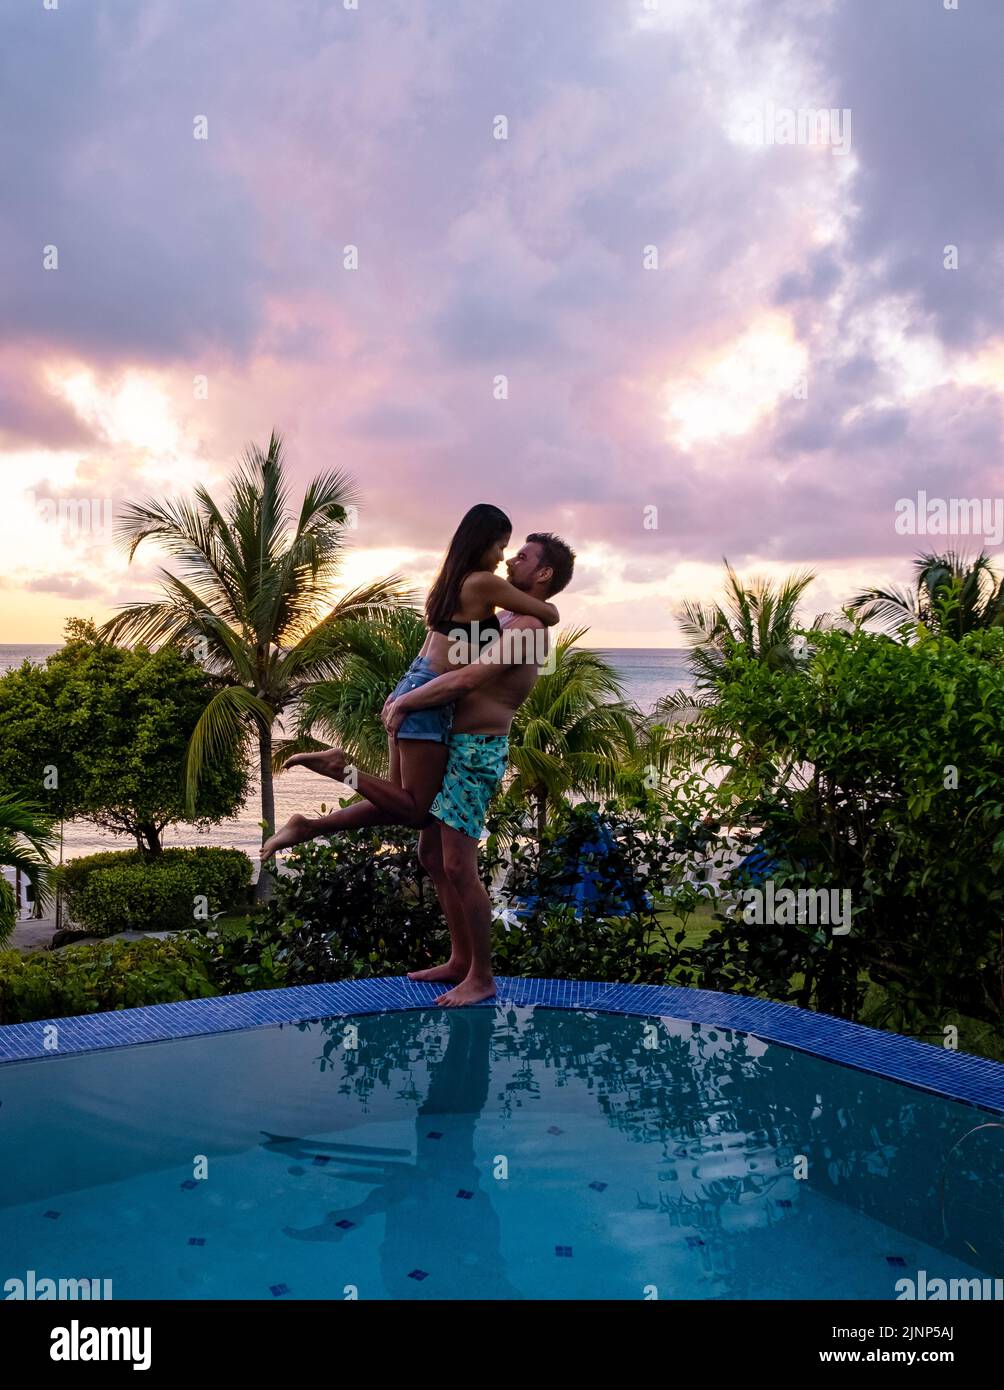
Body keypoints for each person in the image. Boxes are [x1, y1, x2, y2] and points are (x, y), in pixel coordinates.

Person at [260, 506, 560, 858]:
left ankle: (309, 826)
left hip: (415, 679)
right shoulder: (482, 582)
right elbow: (547, 613)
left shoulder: (448, 582)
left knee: (398, 800)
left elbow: (434, 646)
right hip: (429, 691)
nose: (502, 558)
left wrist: (401, 695)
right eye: (500, 547)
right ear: (481, 543)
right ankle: (339, 769)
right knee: (417, 812)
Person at [382, 532, 575, 1006]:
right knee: (430, 856)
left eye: (525, 557)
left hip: (477, 750)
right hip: (454, 742)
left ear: (544, 574)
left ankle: (483, 977)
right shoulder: (504, 616)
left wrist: (405, 702)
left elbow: (471, 677)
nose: (513, 559)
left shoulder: (527, 628)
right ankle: (460, 960)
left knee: (457, 865)